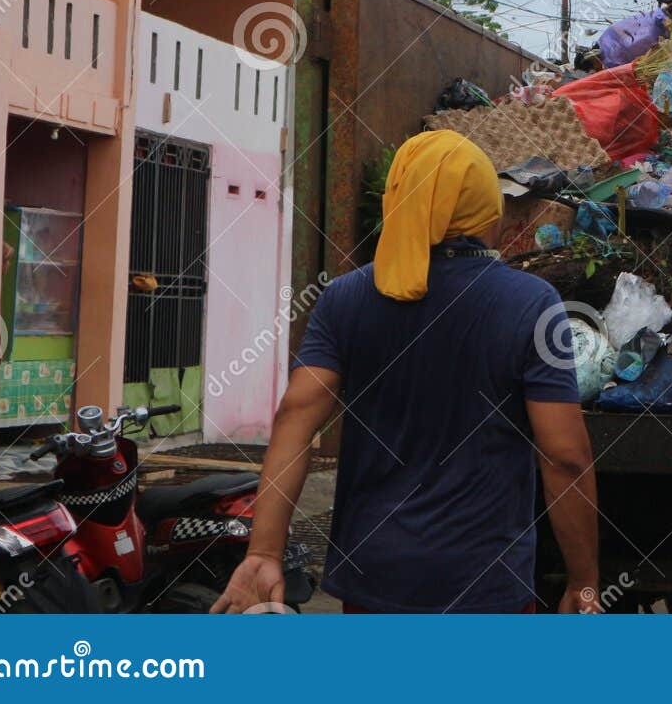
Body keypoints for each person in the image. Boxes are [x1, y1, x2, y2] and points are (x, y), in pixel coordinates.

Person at [212, 130, 600, 614]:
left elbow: (295, 417)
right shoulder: (531, 303)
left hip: (374, 578)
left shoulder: (345, 298)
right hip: (484, 584)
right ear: (485, 210)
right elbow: (564, 456)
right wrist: (583, 581)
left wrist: (264, 552)